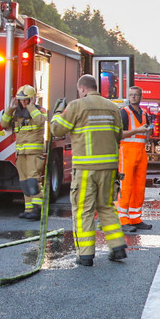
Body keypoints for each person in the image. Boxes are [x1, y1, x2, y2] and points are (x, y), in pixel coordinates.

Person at [50, 74, 127, 266]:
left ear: (82, 89)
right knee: (106, 206)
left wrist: (57, 113)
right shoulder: (113, 107)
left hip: (85, 168)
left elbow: (57, 130)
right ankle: (117, 247)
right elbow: (118, 135)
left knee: (84, 210)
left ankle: (85, 254)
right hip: (109, 168)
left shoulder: (77, 106)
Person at [0, 85, 46, 220]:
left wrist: (30, 107)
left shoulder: (39, 110)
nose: (22, 102)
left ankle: (38, 209)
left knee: (33, 181)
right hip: (21, 153)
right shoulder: (16, 112)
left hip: (33, 153)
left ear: (32, 99)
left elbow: (40, 121)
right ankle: (29, 208)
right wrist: (10, 109)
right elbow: (4, 124)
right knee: (24, 182)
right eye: (20, 100)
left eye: (25, 100)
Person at [116, 85, 152, 231]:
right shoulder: (124, 113)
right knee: (126, 186)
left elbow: (145, 135)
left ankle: (135, 217)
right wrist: (138, 130)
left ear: (141, 96)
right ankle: (123, 219)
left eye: (136, 95)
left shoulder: (144, 114)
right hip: (127, 153)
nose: (133, 97)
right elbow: (119, 134)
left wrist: (148, 133)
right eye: (131, 95)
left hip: (141, 152)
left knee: (139, 186)